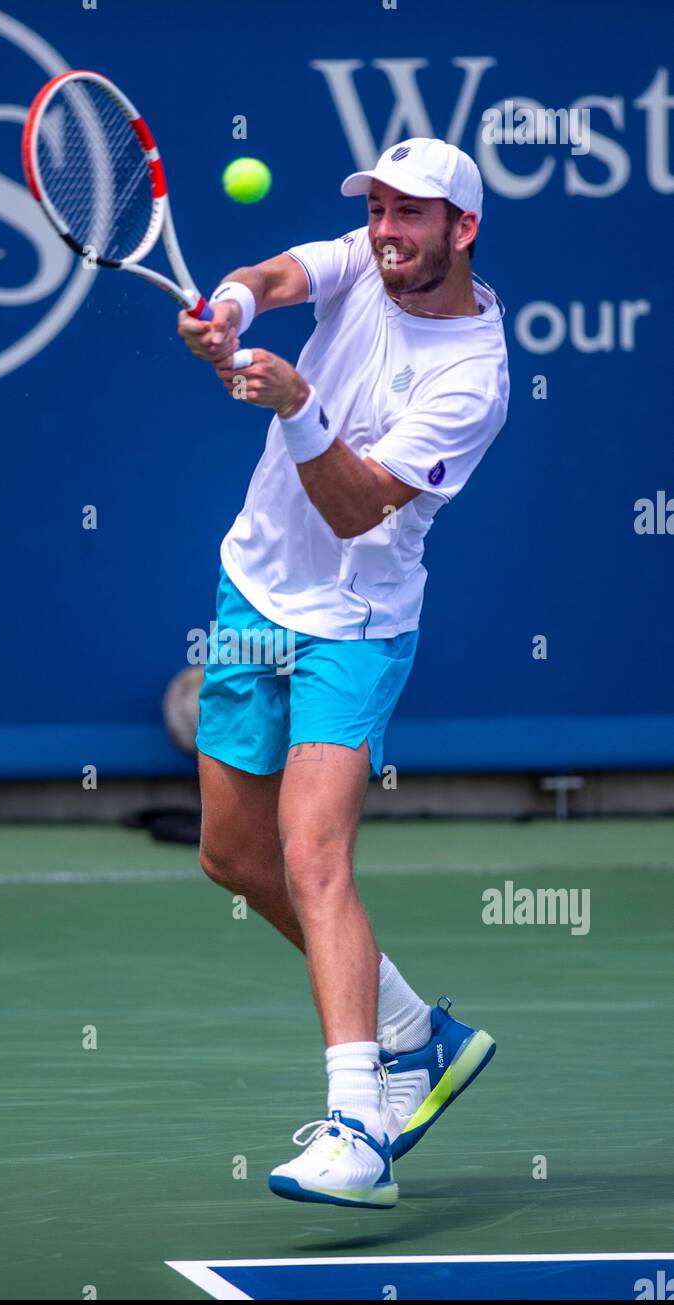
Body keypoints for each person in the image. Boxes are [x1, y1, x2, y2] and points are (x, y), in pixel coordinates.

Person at [178, 138, 509, 1209]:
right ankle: (418, 1034)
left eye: (411, 215)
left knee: (312, 855)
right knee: (233, 858)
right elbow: (283, 276)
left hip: (353, 626)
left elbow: (356, 504)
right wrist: (232, 303)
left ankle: (358, 1125)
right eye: (377, 208)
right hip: (251, 592)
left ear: (461, 229)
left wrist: (294, 400)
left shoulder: (473, 377)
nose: (385, 230)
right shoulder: (365, 263)